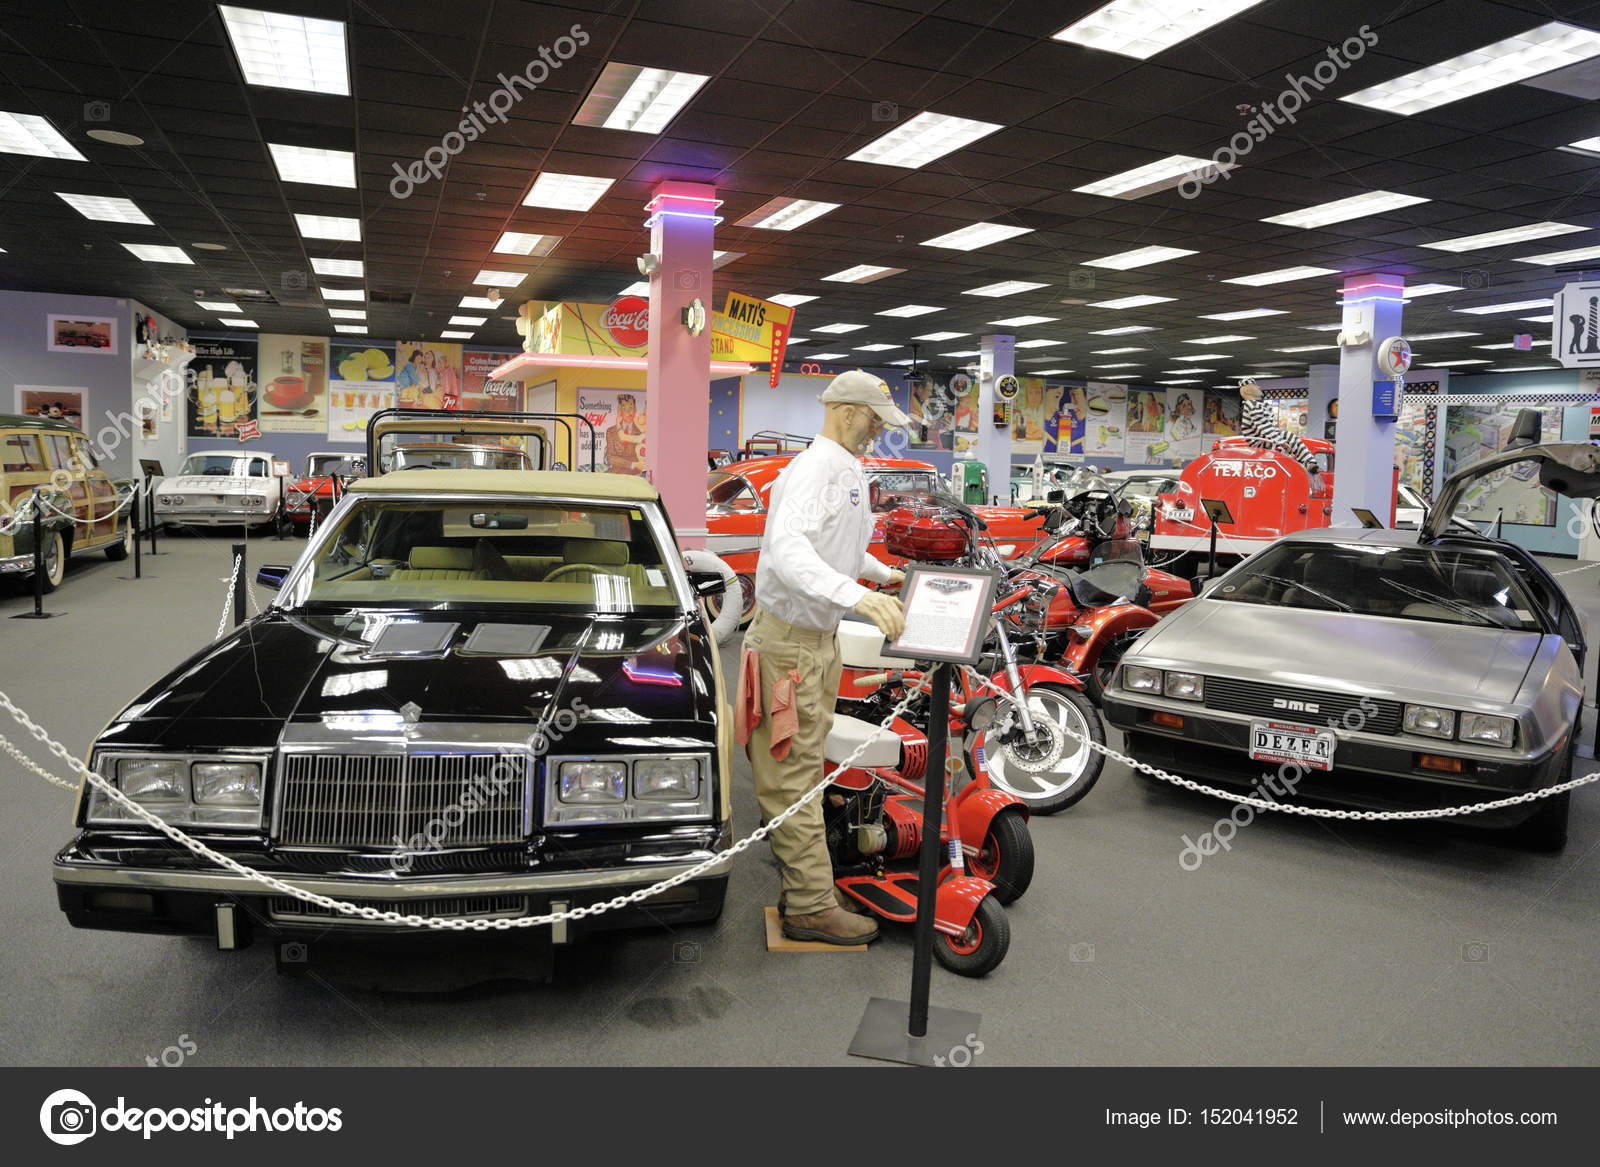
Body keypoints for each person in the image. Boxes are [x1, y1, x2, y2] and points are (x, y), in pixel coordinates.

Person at [738, 370, 909, 945]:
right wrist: (858, 596)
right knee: (791, 775)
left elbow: (837, 545)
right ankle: (810, 904)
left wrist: (884, 574)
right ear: (842, 410)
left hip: (813, 641)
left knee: (804, 764)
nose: (879, 430)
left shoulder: (843, 469)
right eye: (873, 418)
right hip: (791, 644)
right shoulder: (818, 469)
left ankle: (804, 882)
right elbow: (788, 551)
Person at [1239, 380, 1324, 492]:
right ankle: (1308, 463)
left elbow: (1266, 426)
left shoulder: (1257, 404)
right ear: (1249, 389)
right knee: (1289, 438)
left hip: (1264, 438)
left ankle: (1309, 463)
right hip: (1259, 440)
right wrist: (1280, 441)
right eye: (1255, 385)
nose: (1258, 387)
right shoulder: (1252, 405)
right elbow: (1263, 425)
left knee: (1291, 439)